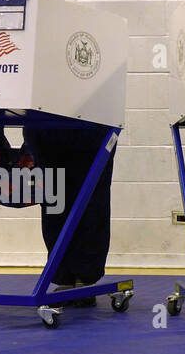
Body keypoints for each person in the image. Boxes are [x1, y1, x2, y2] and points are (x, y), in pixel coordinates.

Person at [21, 124, 115, 306]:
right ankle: (66, 276)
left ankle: (84, 277)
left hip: (90, 124)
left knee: (89, 200)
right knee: (55, 203)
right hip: (47, 124)